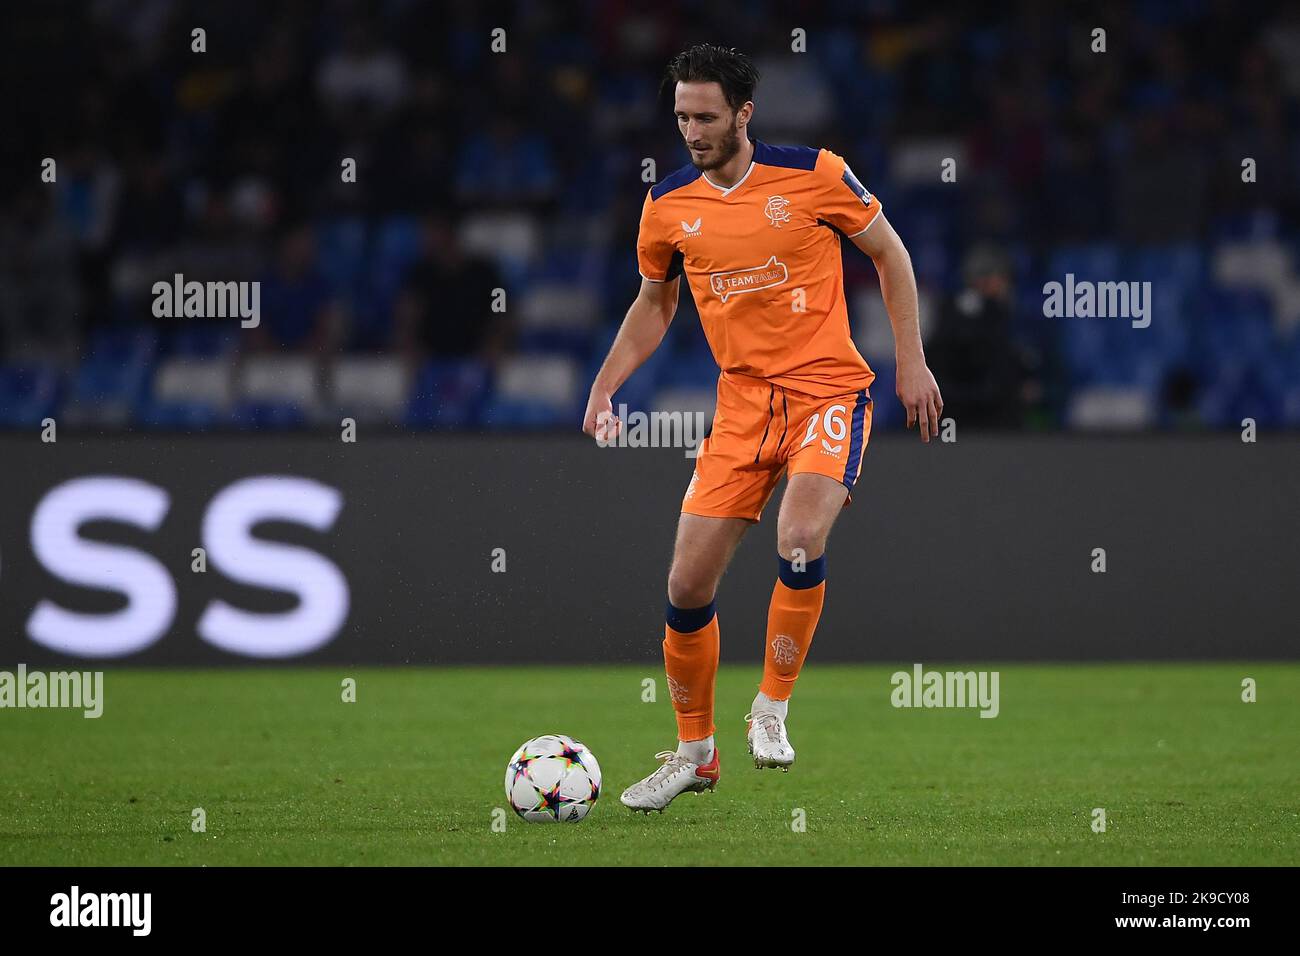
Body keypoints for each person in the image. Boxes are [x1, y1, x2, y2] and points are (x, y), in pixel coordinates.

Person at [581, 44, 943, 813]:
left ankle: (771, 709)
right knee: (685, 585)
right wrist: (607, 385)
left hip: (828, 392)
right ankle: (695, 755)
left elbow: (891, 253)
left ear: (744, 113)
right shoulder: (667, 205)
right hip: (742, 408)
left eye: (706, 116)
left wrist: (910, 360)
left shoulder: (813, 174)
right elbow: (655, 304)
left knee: (800, 537)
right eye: (682, 116)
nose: (692, 130)